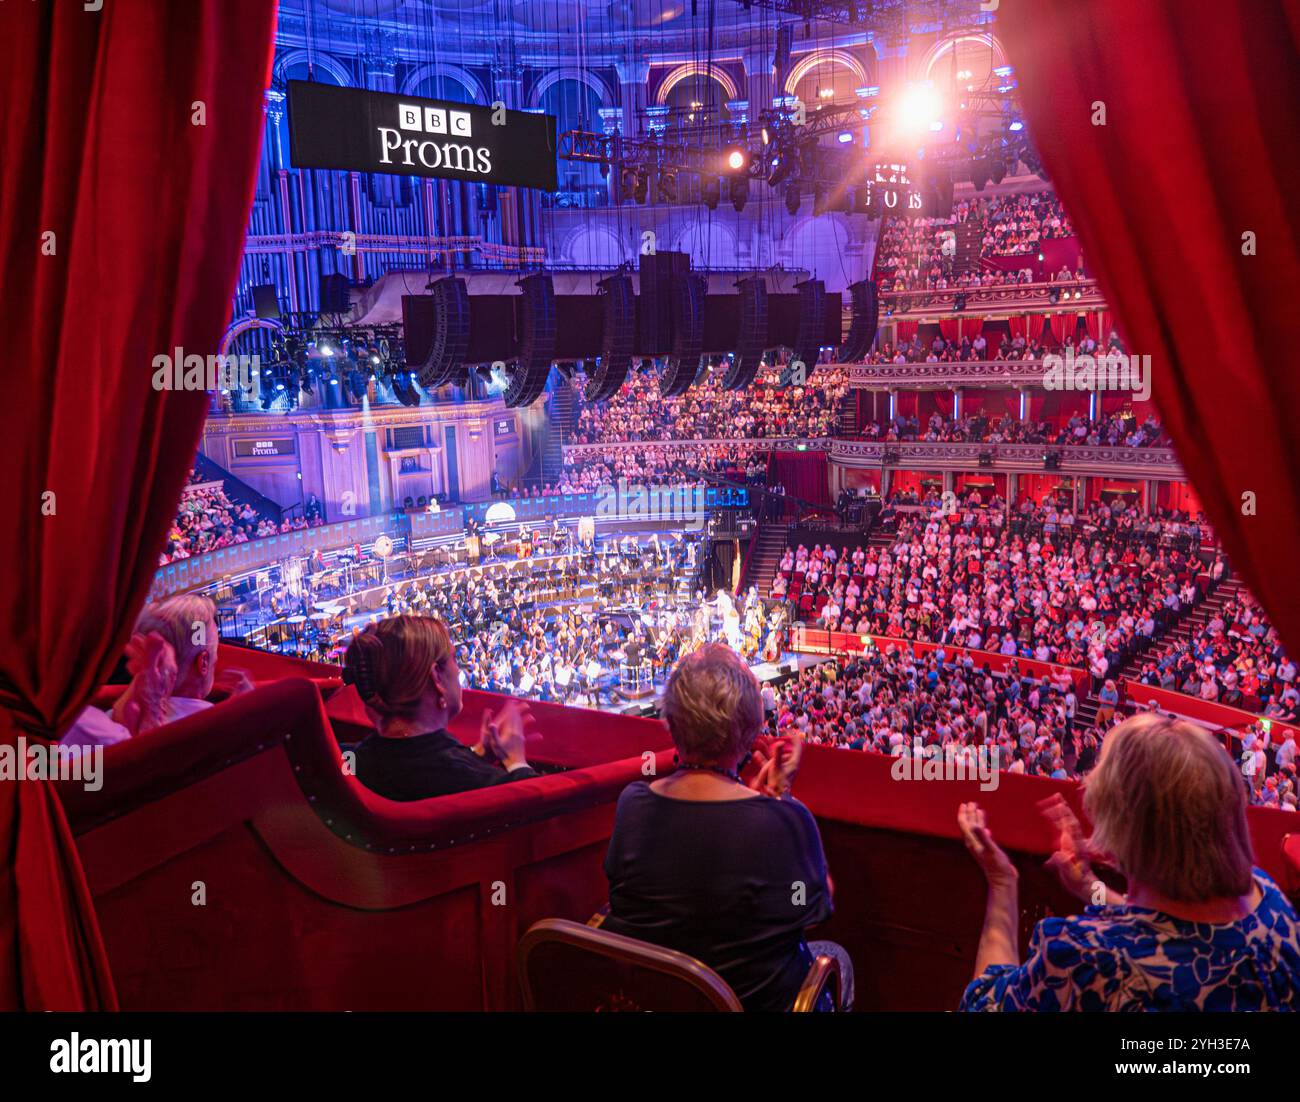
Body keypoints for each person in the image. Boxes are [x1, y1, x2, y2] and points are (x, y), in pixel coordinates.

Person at [958, 714, 1300, 1011]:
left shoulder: (1090, 959)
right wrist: (1090, 887)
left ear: (1122, 829)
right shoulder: (1270, 903)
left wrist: (1003, 883)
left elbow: (983, 1004)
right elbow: (1171, 930)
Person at [602, 644, 852, 1011]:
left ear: (670, 721)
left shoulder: (633, 806)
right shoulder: (781, 821)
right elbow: (812, 907)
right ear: (750, 728)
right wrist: (781, 799)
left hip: (655, 1001)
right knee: (836, 957)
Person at [344, 615, 539, 800]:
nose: (458, 669)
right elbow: (537, 820)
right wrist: (517, 763)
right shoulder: (483, 785)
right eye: (454, 659)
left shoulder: (345, 762)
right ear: (437, 677)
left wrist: (475, 754)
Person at [62, 595, 235, 749]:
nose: (217, 660)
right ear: (203, 662)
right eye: (215, 653)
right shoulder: (223, 730)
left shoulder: (107, 720)